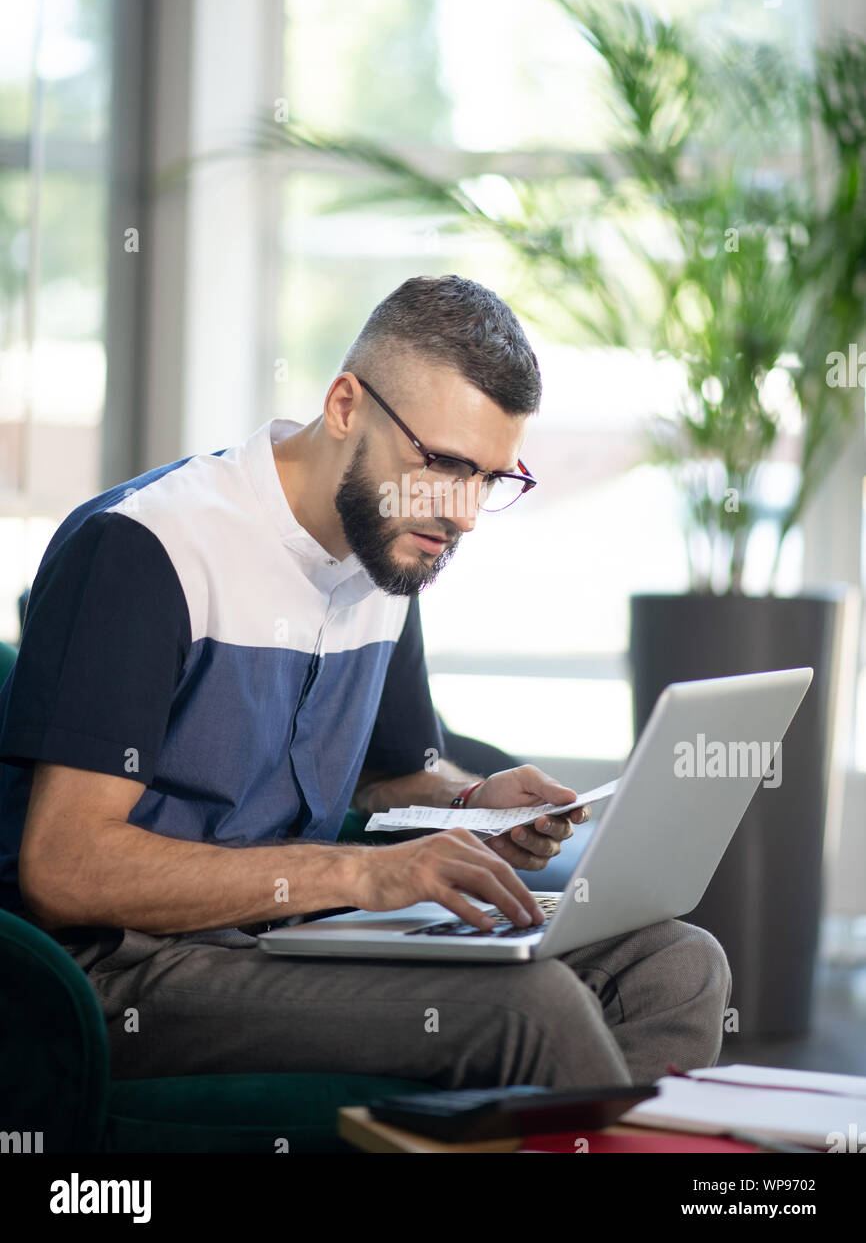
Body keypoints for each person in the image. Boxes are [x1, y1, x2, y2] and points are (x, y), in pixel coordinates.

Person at [0, 274, 731, 1089]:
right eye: (446, 464)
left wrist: (471, 804)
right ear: (346, 405)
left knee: (675, 964)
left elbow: (396, 772)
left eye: (490, 479)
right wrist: (356, 874)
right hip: (123, 972)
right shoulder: (147, 549)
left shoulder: (385, 546)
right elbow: (64, 869)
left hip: (286, 930)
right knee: (531, 1008)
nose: (461, 514)